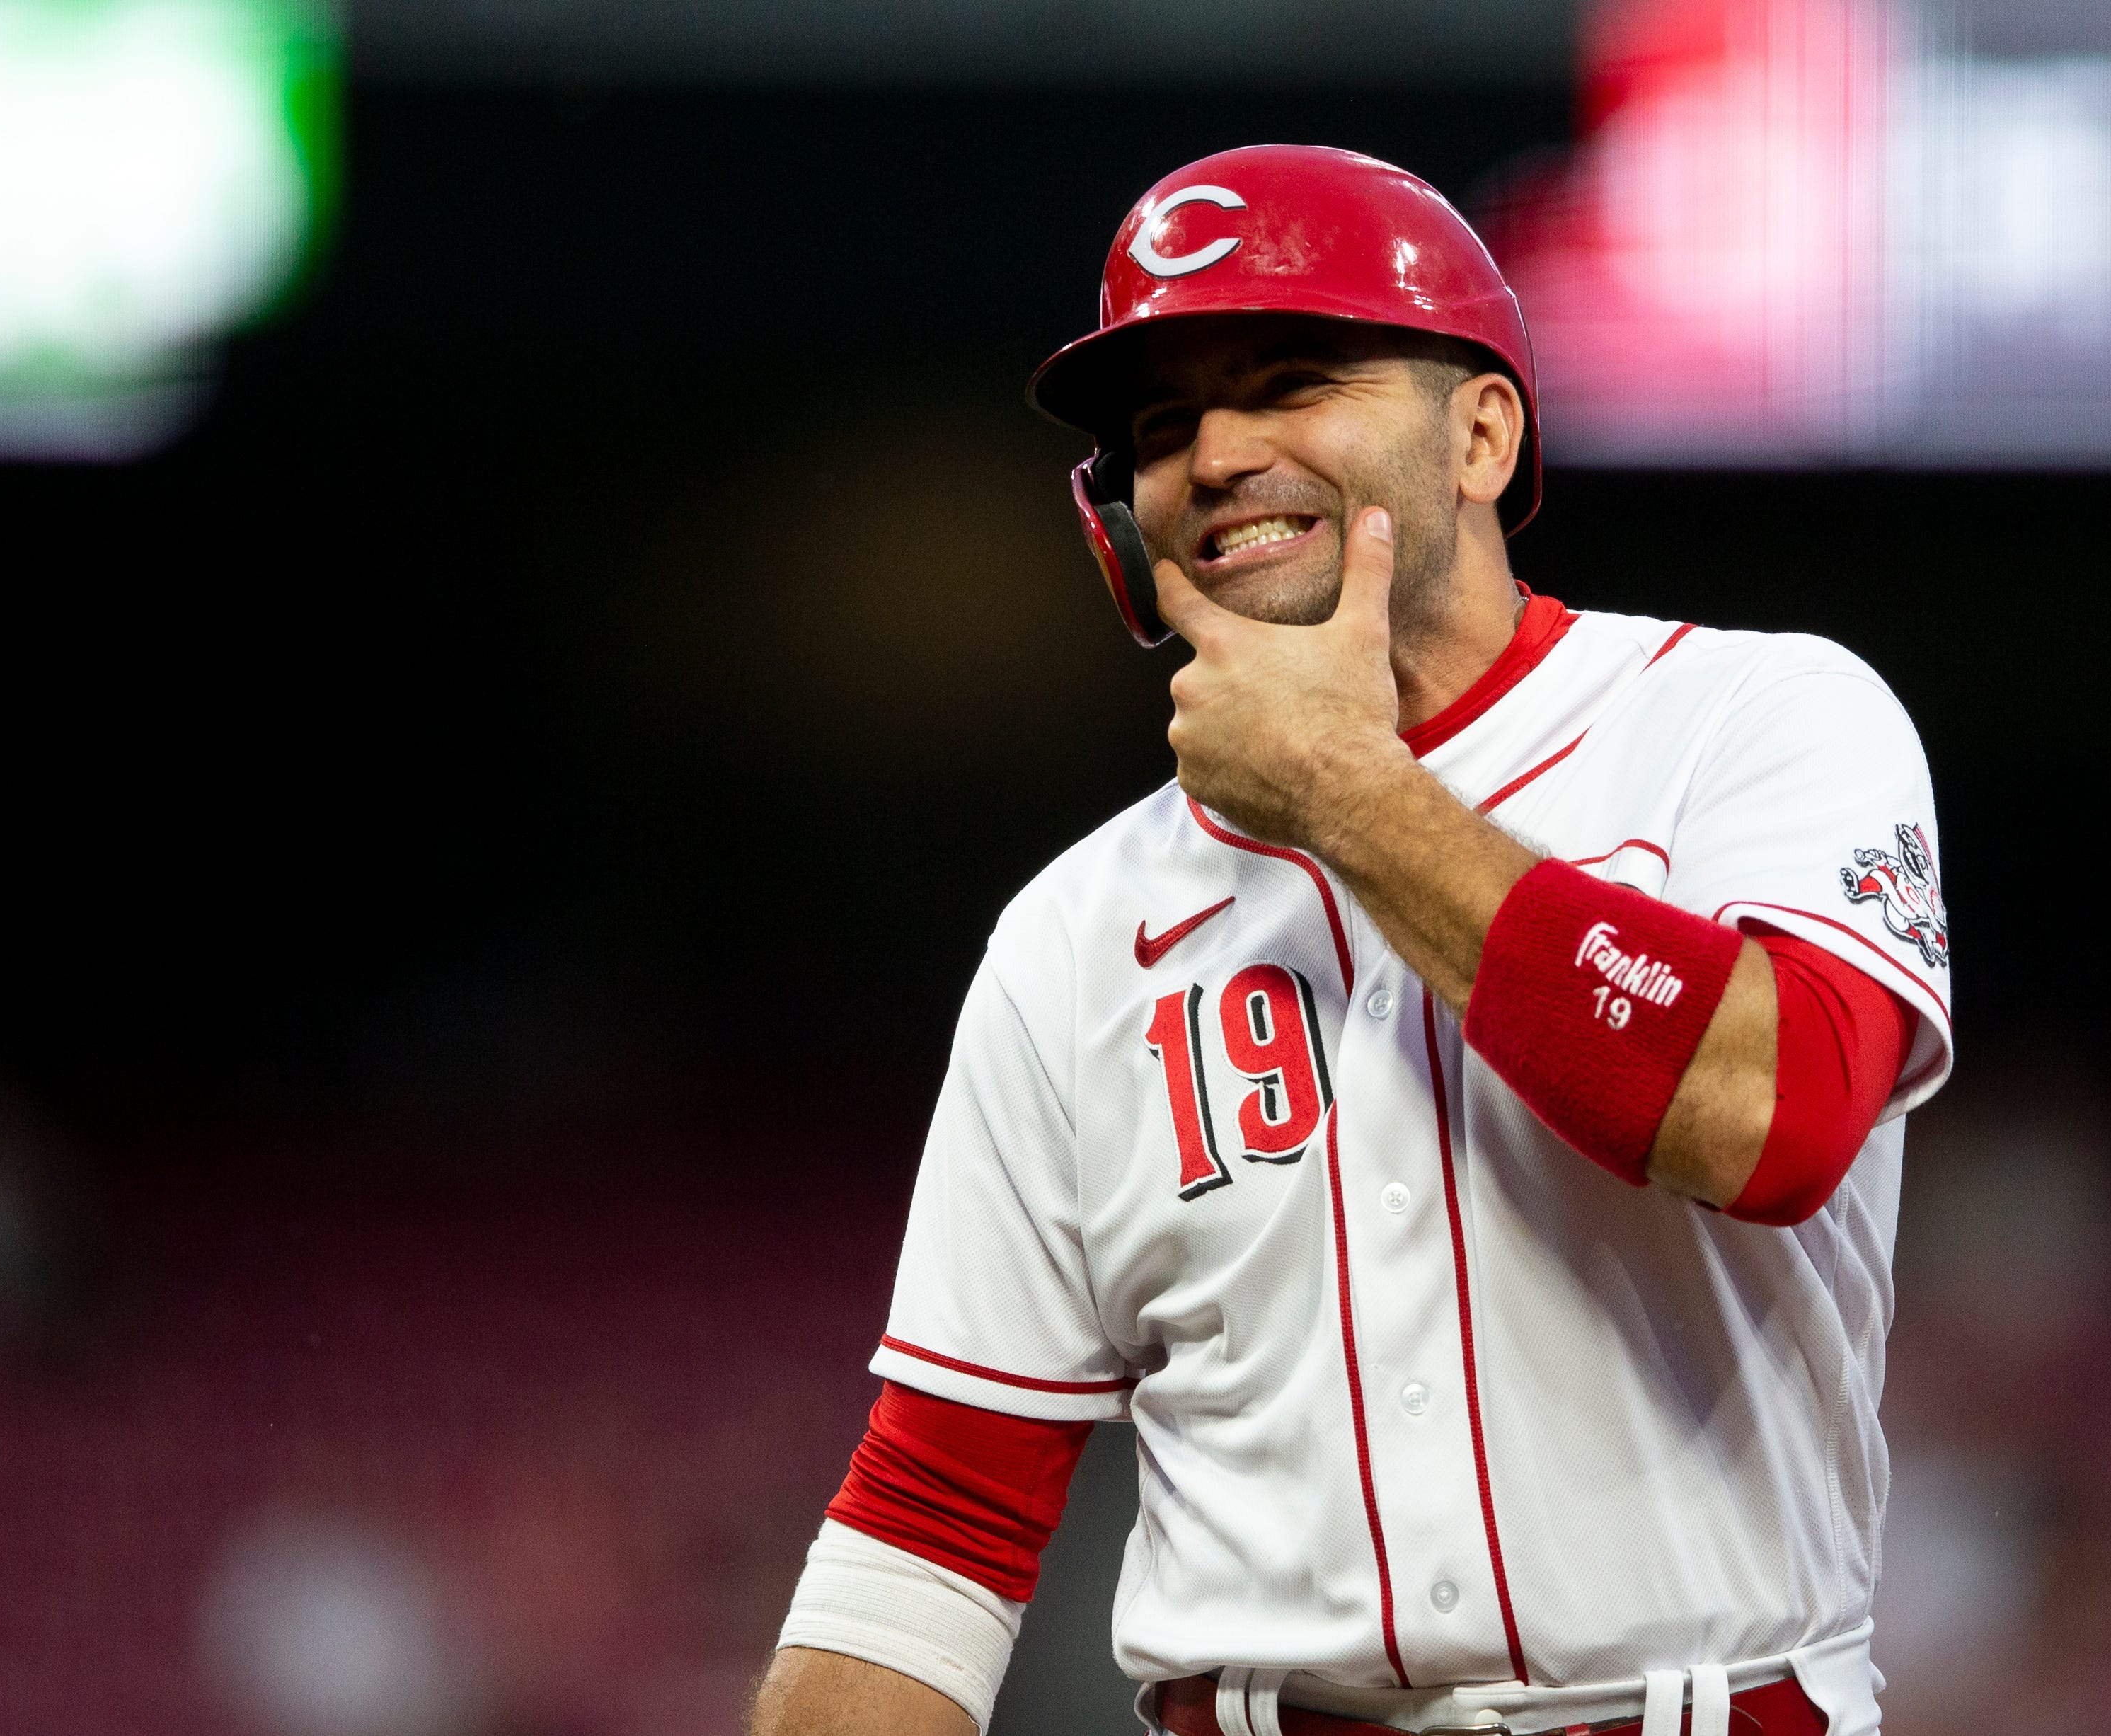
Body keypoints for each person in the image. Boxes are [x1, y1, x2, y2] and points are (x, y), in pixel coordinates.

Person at [749, 145, 1951, 1736]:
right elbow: (933, 1524)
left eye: (1288, 378)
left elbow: (1768, 1115)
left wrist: (1339, 789)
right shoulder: (1073, 934)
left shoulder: (1752, 720)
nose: (1215, 453)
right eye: (1161, 427)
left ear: (1481, 430)